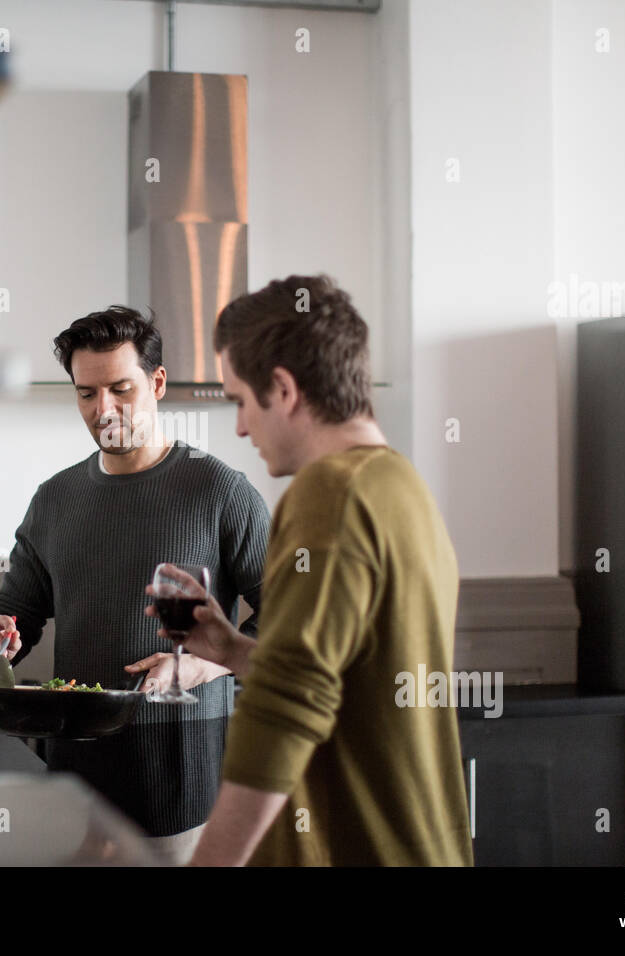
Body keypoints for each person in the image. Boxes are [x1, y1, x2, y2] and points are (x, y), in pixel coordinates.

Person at [149, 275, 474, 866]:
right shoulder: (401, 487)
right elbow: (341, 682)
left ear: (284, 389)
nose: (242, 427)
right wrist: (229, 647)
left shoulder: (331, 492)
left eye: (241, 402)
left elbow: (282, 713)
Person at [0, 306, 270, 864]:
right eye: (86, 394)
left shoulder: (220, 491)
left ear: (157, 383)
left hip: (184, 785)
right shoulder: (55, 500)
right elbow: (16, 609)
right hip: (76, 785)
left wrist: (205, 663)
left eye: (120, 389)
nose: (103, 411)